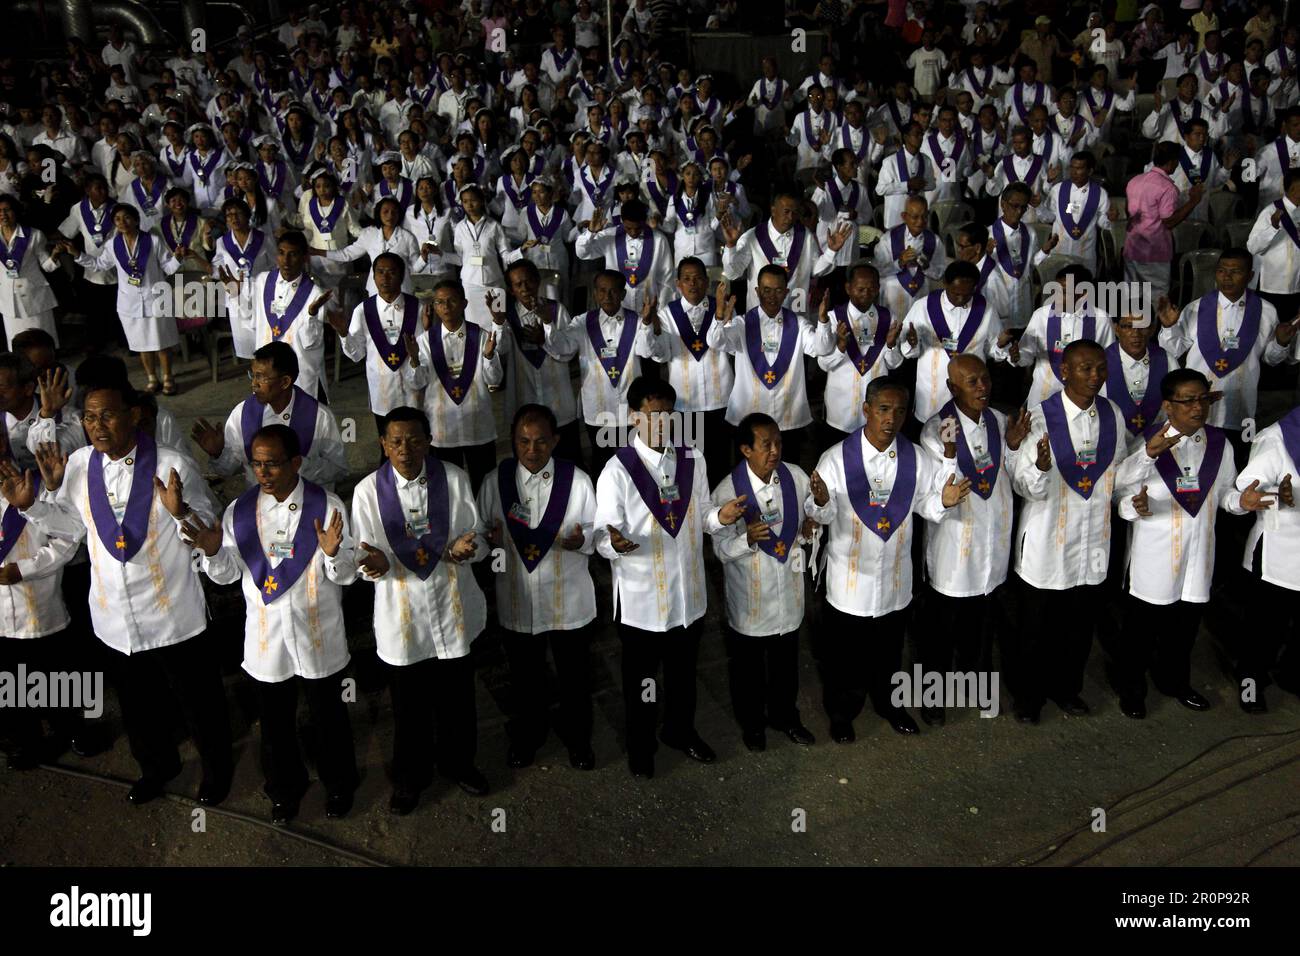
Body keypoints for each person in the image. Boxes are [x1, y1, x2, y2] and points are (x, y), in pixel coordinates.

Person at [0, 381, 232, 805]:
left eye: (107, 414)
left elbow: (209, 529)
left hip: (173, 613)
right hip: (114, 617)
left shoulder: (171, 464)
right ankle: (157, 768)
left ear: (134, 415)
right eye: (89, 417)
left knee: (200, 704)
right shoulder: (79, 465)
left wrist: (181, 513)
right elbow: (70, 531)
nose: (97, 425)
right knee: (138, 706)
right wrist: (34, 505)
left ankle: (217, 772)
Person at [180, 424, 359, 825]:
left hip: (318, 632)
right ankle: (283, 790)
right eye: (257, 464)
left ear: (296, 462)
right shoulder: (239, 512)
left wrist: (333, 555)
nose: (263, 473)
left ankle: (339, 785)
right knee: (275, 725)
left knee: (328, 716)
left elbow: (347, 576)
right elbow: (226, 576)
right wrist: (212, 552)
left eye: (273, 464)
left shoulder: (327, 505)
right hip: (267, 639)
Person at [806, 377, 968, 740]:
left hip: (895, 577)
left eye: (898, 411)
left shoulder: (915, 458)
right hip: (850, 579)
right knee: (844, 656)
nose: (890, 419)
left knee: (889, 651)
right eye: (882, 409)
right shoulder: (836, 458)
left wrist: (944, 500)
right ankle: (842, 713)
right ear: (866, 410)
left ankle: (889, 703)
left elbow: (924, 504)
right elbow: (821, 515)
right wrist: (818, 502)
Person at [593, 376, 737, 778]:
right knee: (641, 682)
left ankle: (680, 731)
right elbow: (603, 533)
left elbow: (705, 514)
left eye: (668, 415)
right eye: (652, 415)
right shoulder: (617, 471)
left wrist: (720, 518)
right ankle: (641, 747)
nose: (661, 423)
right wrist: (614, 544)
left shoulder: (693, 458)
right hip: (643, 601)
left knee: (683, 675)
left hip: (688, 595)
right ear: (634, 418)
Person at [350, 406, 488, 814]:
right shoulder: (367, 492)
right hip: (402, 613)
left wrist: (470, 547)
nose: (404, 450)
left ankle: (460, 763)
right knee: (408, 706)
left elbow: (475, 533)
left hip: (452, 604)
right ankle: (410, 779)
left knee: (458, 697)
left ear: (428, 441)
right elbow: (364, 554)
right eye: (395, 441)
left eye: (413, 440)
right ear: (383, 444)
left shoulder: (454, 478)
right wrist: (370, 566)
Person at [1112, 369, 1269, 718]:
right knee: (1142, 630)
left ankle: (1174, 682)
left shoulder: (1219, 444)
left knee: (1184, 629)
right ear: (1169, 406)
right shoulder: (1148, 443)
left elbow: (1225, 493)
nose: (1198, 408)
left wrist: (1241, 502)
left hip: (1198, 556)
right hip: (1155, 554)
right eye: (1188, 401)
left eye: (1203, 399)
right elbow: (1120, 493)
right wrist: (1134, 499)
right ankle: (1132, 687)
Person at [1008, 340, 1129, 724]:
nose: (1095, 376)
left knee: (1078, 628)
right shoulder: (1040, 420)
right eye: (1085, 369)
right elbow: (1024, 487)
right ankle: (1028, 699)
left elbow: (1118, 474)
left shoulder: (1113, 414)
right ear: (1064, 372)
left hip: (1092, 539)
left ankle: (1067, 689)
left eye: (1100, 369)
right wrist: (1042, 467)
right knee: (1035, 630)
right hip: (1047, 540)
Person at [476, 404, 598, 770]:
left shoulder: (576, 481)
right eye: (523, 442)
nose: (532, 450)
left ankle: (579, 740)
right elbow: (479, 533)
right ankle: (528, 737)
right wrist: (487, 543)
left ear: (555, 441)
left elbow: (599, 531)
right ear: (512, 441)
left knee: (574, 677)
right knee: (525, 679)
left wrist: (583, 541)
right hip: (518, 600)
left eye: (541, 442)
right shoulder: (494, 482)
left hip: (568, 601)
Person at [918, 355, 1031, 725]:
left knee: (980, 627)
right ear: (952, 388)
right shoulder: (936, 430)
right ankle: (932, 698)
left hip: (991, 542)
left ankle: (973, 687)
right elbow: (938, 491)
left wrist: (1013, 447)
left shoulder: (999, 421)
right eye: (971, 382)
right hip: (955, 545)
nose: (982, 387)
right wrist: (951, 454)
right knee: (941, 632)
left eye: (984, 379)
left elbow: (1012, 477)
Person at [709, 412, 818, 750]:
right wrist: (748, 540)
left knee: (786, 664)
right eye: (766, 445)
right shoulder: (728, 491)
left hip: (788, 591)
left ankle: (786, 716)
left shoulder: (795, 476)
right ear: (745, 449)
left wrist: (812, 525)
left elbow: (812, 514)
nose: (775, 450)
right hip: (751, 599)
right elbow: (721, 551)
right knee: (749, 670)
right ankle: (752, 724)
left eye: (778, 442)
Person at [1155, 247, 1295, 466]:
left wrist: (1281, 342)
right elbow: (1174, 350)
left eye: (1235, 271)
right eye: (1221, 271)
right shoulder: (1196, 308)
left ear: (1250, 276)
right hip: (1196, 406)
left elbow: (1271, 359)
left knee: (1233, 461)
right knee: (1192, 463)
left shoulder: (1265, 311)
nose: (1227, 277)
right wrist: (1170, 327)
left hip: (1240, 405)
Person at [706, 264, 835, 466]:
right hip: (749, 416)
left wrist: (823, 320)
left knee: (788, 474)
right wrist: (720, 315)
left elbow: (823, 348)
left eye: (777, 290)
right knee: (748, 478)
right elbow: (715, 342)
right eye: (766, 290)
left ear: (786, 292)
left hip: (787, 415)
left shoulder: (798, 324)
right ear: (757, 291)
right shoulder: (742, 323)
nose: (772, 296)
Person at [189, 342, 348, 491]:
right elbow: (228, 469)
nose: (254, 384)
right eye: (253, 375)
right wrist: (218, 454)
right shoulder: (242, 415)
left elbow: (339, 469)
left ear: (285, 382)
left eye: (261, 377)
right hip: (260, 505)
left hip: (308, 505)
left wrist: (296, 467)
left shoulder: (319, 417)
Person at [559, 269, 667, 477]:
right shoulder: (582, 322)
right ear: (595, 293)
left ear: (623, 294)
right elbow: (563, 349)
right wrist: (547, 325)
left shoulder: (636, 320)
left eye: (613, 291)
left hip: (630, 411)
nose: (607, 297)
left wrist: (646, 324)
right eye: (602, 291)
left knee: (635, 464)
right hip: (598, 409)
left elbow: (646, 351)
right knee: (602, 464)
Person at [1234, 403, 1300, 713]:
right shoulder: (1276, 439)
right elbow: (1247, 491)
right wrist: (1280, 496)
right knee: (1264, 630)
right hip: (1277, 553)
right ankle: (1251, 686)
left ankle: (1291, 675)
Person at [415, 279, 506, 491]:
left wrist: (490, 356)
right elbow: (417, 382)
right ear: (434, 306)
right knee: (447, 487)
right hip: (442, 427)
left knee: (484, 485)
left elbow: (495, 381)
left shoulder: (481, 335)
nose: (445, 307)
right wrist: (413, 361)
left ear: (464, 304)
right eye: (439, 302)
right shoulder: (426, 340)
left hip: (477, 422)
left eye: (451, 301)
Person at [900, 260, 1011, 431]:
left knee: (966, 439)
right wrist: (911, 343)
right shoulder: (923, 307)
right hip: (933, 392)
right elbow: (908, 353)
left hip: (970, 392)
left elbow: (992, 351)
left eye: (967, 294)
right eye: (955, 293)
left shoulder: (985, 309)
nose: (960, 299)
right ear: (945, 283)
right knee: (932, 437)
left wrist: (1002, 346)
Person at [657, 259, 734, 486]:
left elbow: (729, 345)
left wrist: (720, 315)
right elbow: (659, 354)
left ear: (707, 281)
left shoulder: (723, 306)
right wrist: (648, 326)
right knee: (688, 466)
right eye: (687, 279)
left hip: (719, 399)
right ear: (678, 283)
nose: (693, 284)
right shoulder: (667, 314)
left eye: (698, 278)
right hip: (684, 402)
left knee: (719, 464)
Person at [248, 230, 342, 402]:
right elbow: (255, 321)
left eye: (293, 254)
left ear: (304, 257)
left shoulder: (315, 293)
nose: (286, 260)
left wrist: (312, 314)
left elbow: (312, 342)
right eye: (282, 253)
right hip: (267, 368)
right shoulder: (262, 281)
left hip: (300, 369)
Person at [336, 252, 427, 431]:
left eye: (391, 272)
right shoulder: (363, 310)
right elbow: (357, 354)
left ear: (401, 276)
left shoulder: (417, 307)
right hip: (382, 389)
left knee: (415, 438)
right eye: (380, 272)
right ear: (373, 275)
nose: (385, 278)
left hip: (412, 386)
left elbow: (425, 349)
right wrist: (343, 333)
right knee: (386, 443)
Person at [819, 263, 904, 448]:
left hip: (876, 414)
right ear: (848, 288)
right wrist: (840, 347)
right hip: (841, 411)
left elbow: (894, 364)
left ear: (878, 289)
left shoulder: (889, 318)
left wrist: (890, 345)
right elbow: (823, 364)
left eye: (872, 288)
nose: (866, 293)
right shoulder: (833, 318)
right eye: (860, 289)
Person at [1013, 264, 1116, 408]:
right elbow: (1026, 354)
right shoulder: (1041, 315)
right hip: (1045, 393)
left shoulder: (1101, 319)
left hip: (1084, 395)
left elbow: (1108, 361)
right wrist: (1017, 356)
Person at [1124, 141, 1203, 302]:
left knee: (1133, 299)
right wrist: (1193, 201)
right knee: (1157, 300)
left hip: (1132, 248)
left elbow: (1129, 211)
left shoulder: (1134, 181)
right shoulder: (1167, 188)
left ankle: (1131, 327)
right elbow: (1168, 222)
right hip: (1154, 252)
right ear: (1173, 161)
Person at [576, 199, 675, 314]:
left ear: (645, 221)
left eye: (638, 228)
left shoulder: (659, 240)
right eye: (628, 228)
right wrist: (591, 232)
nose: (633, 232)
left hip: (648, 309)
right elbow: (582, 253)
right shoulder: (610, 236)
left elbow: (666, 280)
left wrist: (662, 313)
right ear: (622, 220)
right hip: (617, 310)